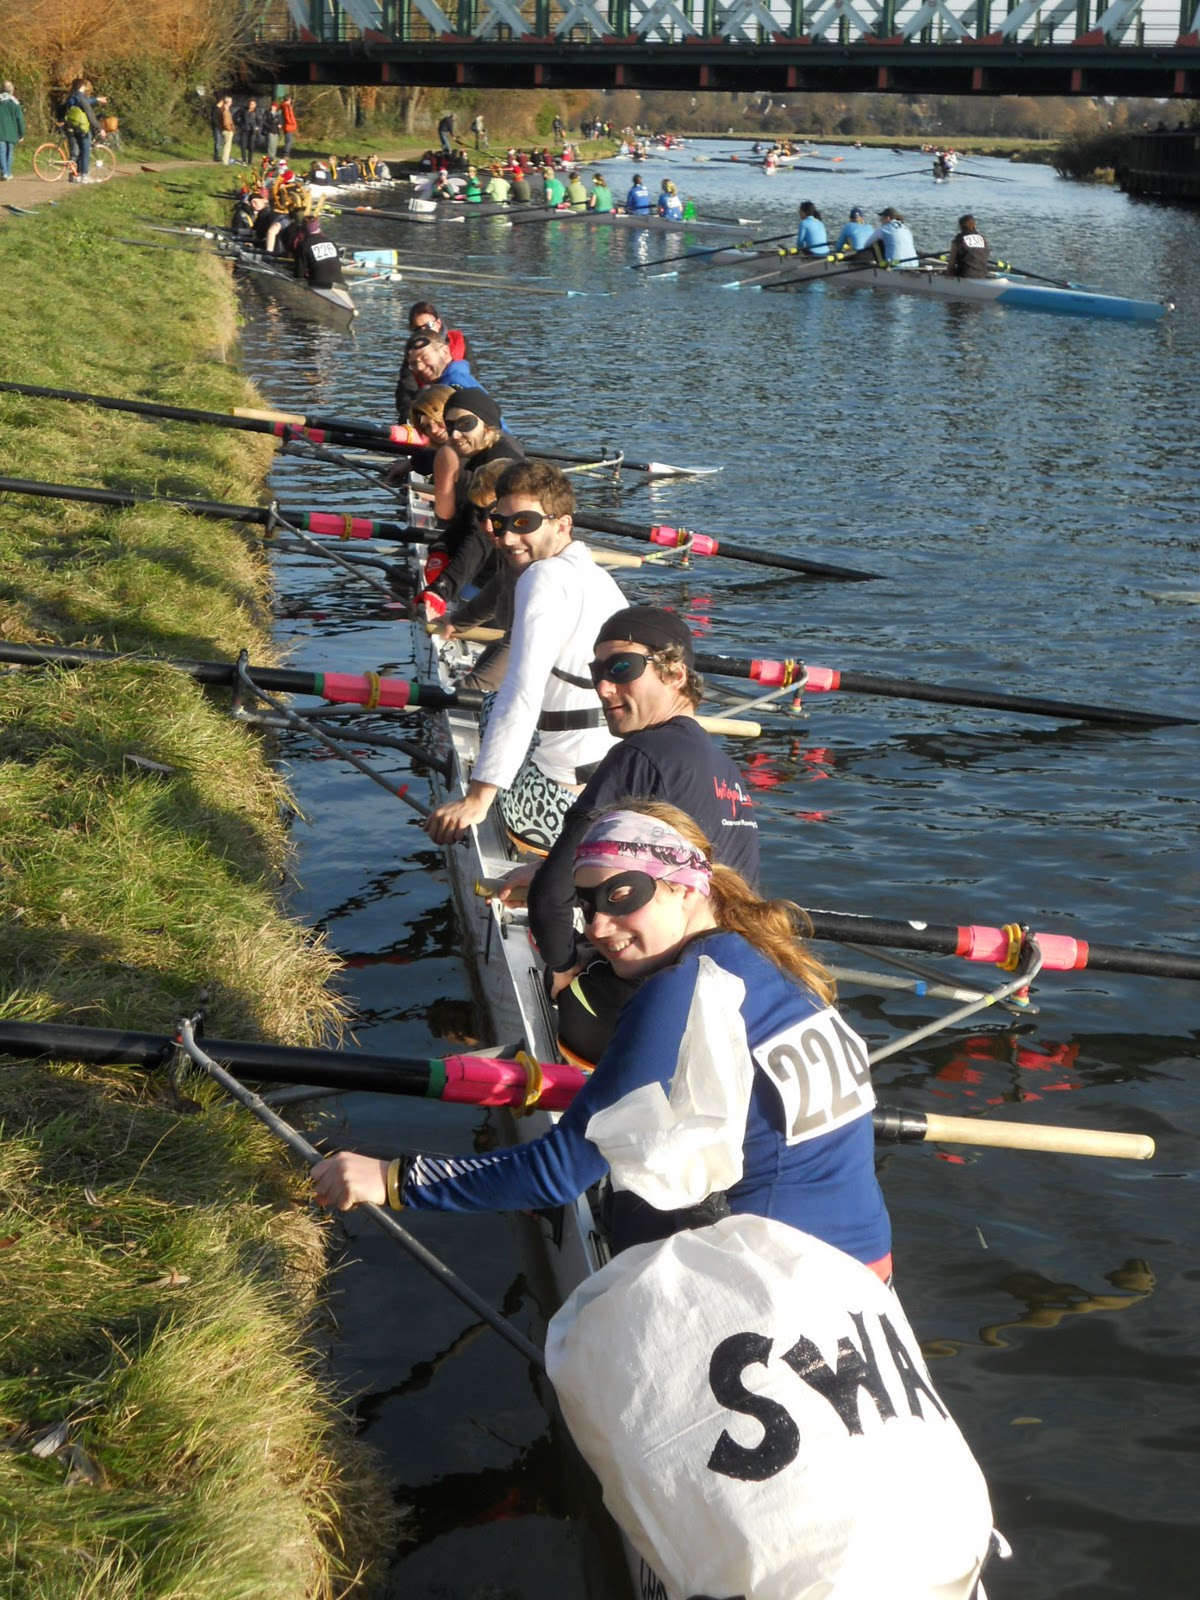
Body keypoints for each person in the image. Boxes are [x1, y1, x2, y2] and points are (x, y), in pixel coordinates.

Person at [312, 797, 892, 1280]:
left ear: (686, 887)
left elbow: (559, 1172)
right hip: (868, 1267)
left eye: (621, 897)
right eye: (586, 903)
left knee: (625, 1198)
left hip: (784, 1284)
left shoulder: (680, 989)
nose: (595, 926)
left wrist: (391, 1179)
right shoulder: (774, 962)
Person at [512, 607, 760, 1064]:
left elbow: (550, 897)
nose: (604, 687)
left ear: (675, 673)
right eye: (597, 672)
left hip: (656, 1001)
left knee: (562, 965)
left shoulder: (638, 755)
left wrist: (564, 967)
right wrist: (543, 867)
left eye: (621, 668)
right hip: (728, 990)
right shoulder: (728, 771)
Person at [423, 460, 625, 852]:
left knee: (495, 704)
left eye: (523, 523)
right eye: (500, 524)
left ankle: (510, 826)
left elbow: (522, 692)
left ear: (562, 524)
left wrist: (477, 800)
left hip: (559, 809)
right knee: (497, 704)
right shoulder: (600, 578)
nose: (508, 538)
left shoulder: (542, 577)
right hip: (612, 790)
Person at [62, 78, 106, 183]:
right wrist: (99, 128)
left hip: (71, 127)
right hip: (82, 128)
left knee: (76, 152)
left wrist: (97, 99)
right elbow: (89, 113)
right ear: (82, 87)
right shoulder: (81, 98)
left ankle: (73, 175)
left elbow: (86, 101)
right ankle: (84, 175)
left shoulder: (71, 97)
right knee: (85, 150)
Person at [293, 215, 344, 288]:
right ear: (319, 228)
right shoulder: (330, 242)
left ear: (303, 230)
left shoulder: (304, 245)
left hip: (319, 285)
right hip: (340, 284)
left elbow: (299, 274)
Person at [862, 206, 919, 270]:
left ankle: (882, 266)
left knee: (875, 244)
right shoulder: (906, 229)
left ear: (887, 218)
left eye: (882, 217)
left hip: (895, 264)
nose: (880, 220)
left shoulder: (883, 229)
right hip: (915, 264)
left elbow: (866, 245)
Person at [946, 213, 988, 278]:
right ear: (974, 225)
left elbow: (951, 265)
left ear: (960, 227)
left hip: (965, 275)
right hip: (982, 274)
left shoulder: (958, 241)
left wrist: (948, 274)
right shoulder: (982, 239)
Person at [0, 81, 25, 182]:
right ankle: (8, 172)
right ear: (12, 90)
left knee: (1, 152)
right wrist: (21, 133)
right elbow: (20, 120)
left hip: (0, 132)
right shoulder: (15, 103)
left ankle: (4, 172)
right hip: (12, 133)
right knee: (9, 153)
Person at [235, 98, 261, 166]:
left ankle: (250, 161)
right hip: (244, 130)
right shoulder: (243, 110)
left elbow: (260, 121)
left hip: (252, 131)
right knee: (243, 146)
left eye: (252, 104)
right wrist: (239, 124)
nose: (251, 105)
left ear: (255, 105)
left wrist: (257, 127)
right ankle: (244, 161)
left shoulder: (257, 112)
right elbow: (235, 116)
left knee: (251, 146)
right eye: (250, 104)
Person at [216, 96, 235, 166]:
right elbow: (226, 121)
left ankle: (226, 160)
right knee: (227, 146)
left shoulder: (223, 109)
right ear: (228, 102)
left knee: (227, 145)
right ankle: (225, 161)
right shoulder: (225, 110)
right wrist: (229, 129)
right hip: (227, 130)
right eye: (230, 101)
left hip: (226, 129)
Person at [281, 94, 298, 159]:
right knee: (289, 141)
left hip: (287, 126)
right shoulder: (287, 106)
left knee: (288, 140)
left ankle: (286, 154)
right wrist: (292, 123)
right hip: (289, 126)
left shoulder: (284, 106)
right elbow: (288, 116)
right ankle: (286, 154)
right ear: (289, 99)